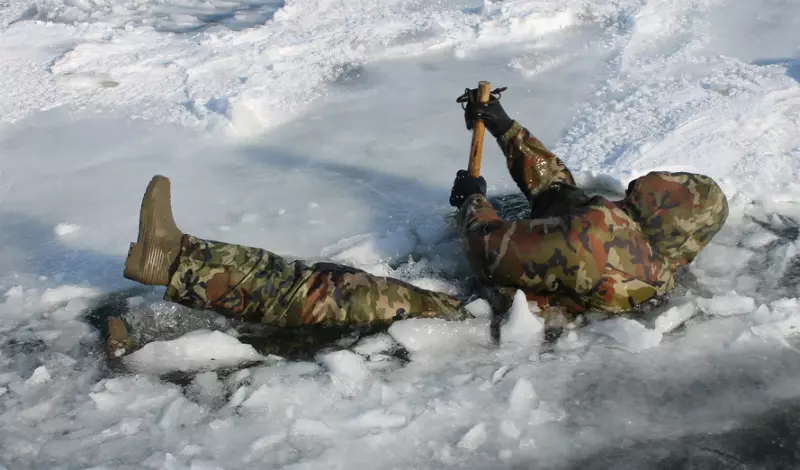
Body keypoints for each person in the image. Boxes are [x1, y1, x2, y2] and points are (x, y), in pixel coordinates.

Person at [106, 89, 728, 357]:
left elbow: (489, 249)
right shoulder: (645, 248)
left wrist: (474, 201)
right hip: (532, 293)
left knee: (347, 295)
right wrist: (503, 126)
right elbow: (557, 191)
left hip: (501, 321)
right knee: (346, 311)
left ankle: (173, 260)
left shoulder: (607, 245)